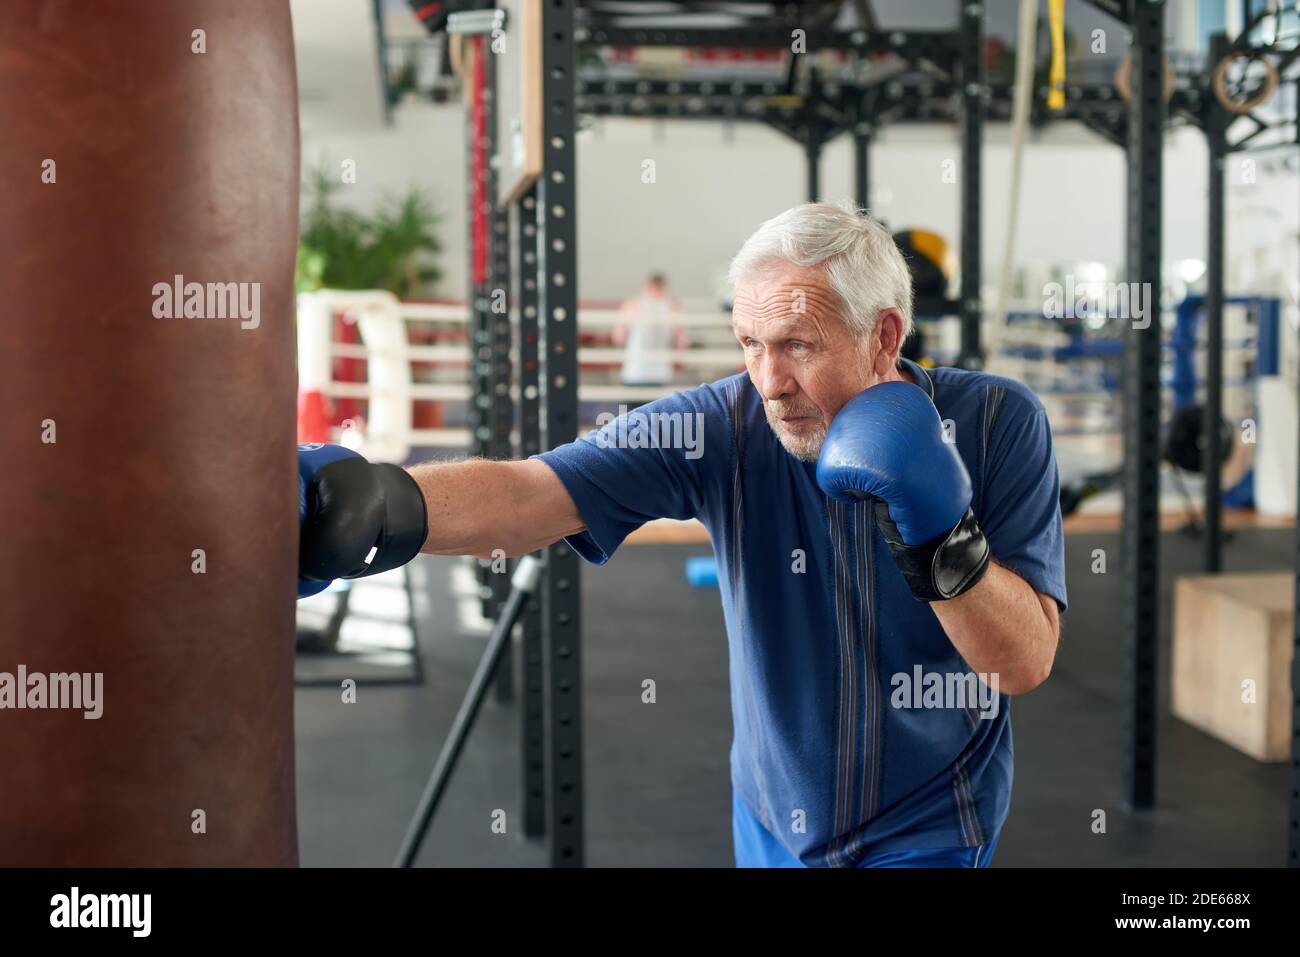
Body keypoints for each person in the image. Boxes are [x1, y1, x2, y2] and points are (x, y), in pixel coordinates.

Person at [298, 202, 1067, 868]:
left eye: (798, 344)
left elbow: (1024, 660)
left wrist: (939, 529)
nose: (770, 380)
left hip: (927, 822)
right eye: (749, 344)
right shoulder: (722, 424)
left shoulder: (1000, 424)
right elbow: (538, 489)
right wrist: (377, 502)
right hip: (770, 817)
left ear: (883, 335)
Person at [611, 272, 688, 387]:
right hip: (648, 372)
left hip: (639, 372)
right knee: (629, 405)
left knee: (625, 405)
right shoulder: (672, 308)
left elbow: (618, 338)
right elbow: (682, 343)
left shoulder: (633, 306)